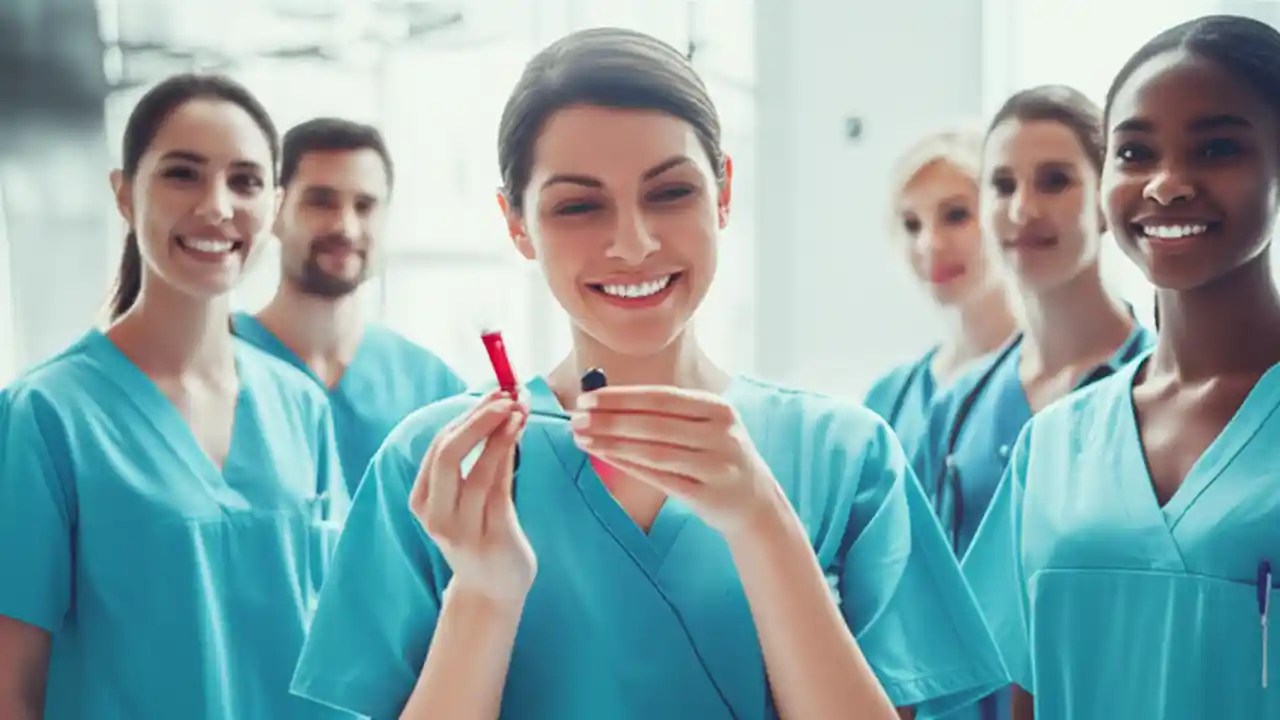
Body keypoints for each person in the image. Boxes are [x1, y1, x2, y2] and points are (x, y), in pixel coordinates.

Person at [290, 27, 1007, 720]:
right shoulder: (436, 466)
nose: (633, 243)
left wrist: (765, 526)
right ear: (516, 224)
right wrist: (482, 594)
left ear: (724, 191)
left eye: (671, 193)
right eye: (578, 205)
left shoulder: (846, 456)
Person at [0, 74, 352, 719]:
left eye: (245, 181)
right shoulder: (45, 415)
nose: (217, 206)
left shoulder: (299, 407)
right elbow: (10, 688)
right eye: (183, 174)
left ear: (274, 205)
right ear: (125, 194)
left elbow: (339, 646)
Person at [962, 14, 1280, 719]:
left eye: (1217, 148)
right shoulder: (1054, 446)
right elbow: (1022, 693)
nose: (1167, 184)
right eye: (1135, 154)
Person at [911, 86, 1155, 720]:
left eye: (1055, 181)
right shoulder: (958, 406)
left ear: (1106, 195)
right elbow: (923, 610)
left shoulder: (1153, 388)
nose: (1023, 209)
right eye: (1001, 185)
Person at [234, 118, 466, 495]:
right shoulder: (218, 364)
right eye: (321, 202)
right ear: (274, 212)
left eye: (365, 205)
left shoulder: (431, 386)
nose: (345, 226)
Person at [864, 129, 1018, 457]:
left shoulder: (1050, 382)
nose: (928, 243)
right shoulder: (888, 399)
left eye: (956, 215)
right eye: (911, 224)